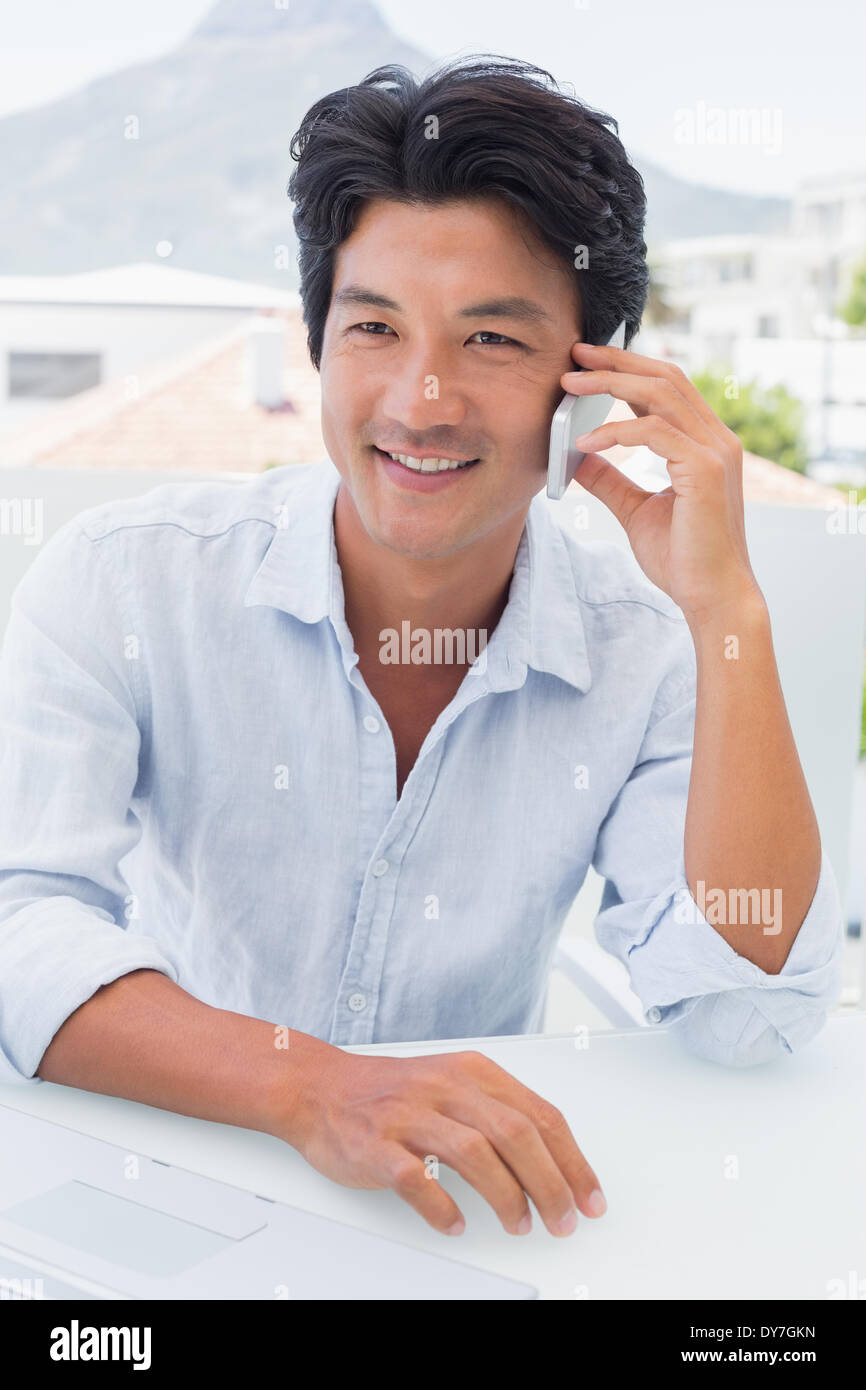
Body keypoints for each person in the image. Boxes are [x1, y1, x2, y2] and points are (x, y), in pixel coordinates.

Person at [0, 56, 843, 1241]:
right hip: (160, 1169)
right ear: (319, 344)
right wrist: (316, 1086)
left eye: (492, 339)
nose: (422, 398)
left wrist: (730, 620)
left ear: (586, 385)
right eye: (376, 328)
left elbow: (750, 1011)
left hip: (448, 1222)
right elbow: (21, 921)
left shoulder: (643, 647)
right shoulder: (126, 577)